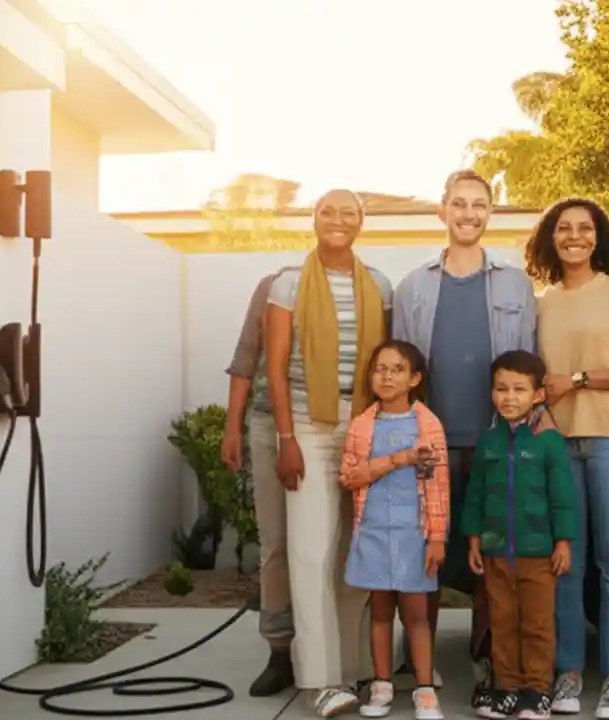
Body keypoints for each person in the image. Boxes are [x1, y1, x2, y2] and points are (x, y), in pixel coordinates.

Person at [391, 169, 538, 702]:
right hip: (427, 445)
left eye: (478, 204)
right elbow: (399, 369)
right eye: (459, 203)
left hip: (496, 442)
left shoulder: (516, 284)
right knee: (424, 553)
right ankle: (419, 660)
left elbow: (530, 363)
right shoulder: (413, 286)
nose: (468, 213)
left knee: (491, 559)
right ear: (442, 211)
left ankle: (487, 660)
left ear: (489, 212)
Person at [264, 188, 394, 717]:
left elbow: (388, 363)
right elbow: (274, 368)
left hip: (364, 426)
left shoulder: (379, 285)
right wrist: (286, 438)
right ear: (313, 220)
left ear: (361, 223)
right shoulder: (288, 285)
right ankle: (319, 678)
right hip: (310, 429)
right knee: (311, 551)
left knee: (353, 555)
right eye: (327, 211)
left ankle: (351, 670)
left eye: (348, 212)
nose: (337, 220)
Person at [526, 197, 609, 719]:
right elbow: (538, 381)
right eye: (563, 228)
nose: (573, 235)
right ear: (550, 239)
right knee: (565, 565)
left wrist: (577, 380)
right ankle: (570, 672)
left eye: (583, 228)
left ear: (597, 237)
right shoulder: (543, 300)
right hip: (561, 444)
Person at [462, 350, 577, 720]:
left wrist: (563, 542)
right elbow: (476, 494)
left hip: (538, 552)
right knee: (502, 622)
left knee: (538, 624)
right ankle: (506, 688)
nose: (508, 398)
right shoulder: (489, 442)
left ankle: (536, 691)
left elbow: (562, 496)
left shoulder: (549, 442)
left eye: (518, 389)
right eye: (500, 389)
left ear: (538, 394)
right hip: (496, 551)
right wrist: (474, 539)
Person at [338, 339, 449, 720]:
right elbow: (350, 476)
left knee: (416, 613)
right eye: (380, 368)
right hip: (373, 532)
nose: (386, 376)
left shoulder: (428, 425)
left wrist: (436, 537)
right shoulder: (362, 426)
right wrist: (396, 459)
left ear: (414, 378)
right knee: (381, 612)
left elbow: (437, 486)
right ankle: (381, 683)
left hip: (413, 533)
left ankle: (424, 688)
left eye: (397, 369)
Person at [219, 265, 299, 697]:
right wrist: (233, 426)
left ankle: (343, 650)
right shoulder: (272, 286)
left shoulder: (359, 285)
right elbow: (245, 358)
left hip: (331, 426)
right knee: (276, 543)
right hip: (270, 423)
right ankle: (279, 650)